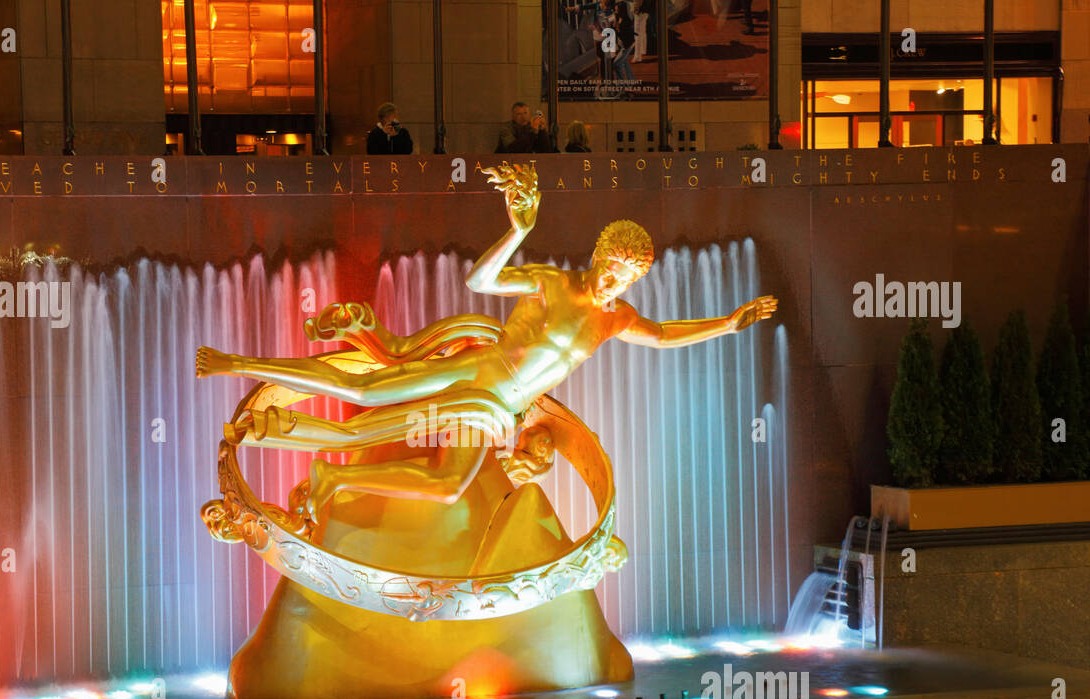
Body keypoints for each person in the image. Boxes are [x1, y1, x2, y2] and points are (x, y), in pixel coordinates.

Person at [196, 163, 776, 519]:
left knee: (448, 486)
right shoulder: (552, 281)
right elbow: (480, 281)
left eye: (626, 276)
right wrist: (518, 230)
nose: (614, 280)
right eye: (611, 266)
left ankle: (332, 477)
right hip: (478, 371)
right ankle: (237, 364)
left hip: (501, 411)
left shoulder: (615, 318)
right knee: (368, 390)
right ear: (598, 255)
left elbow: (666, 335)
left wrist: (726, 323)